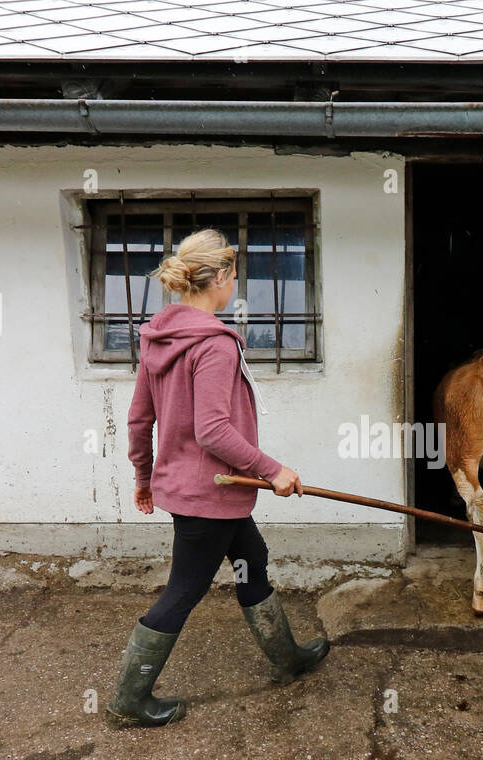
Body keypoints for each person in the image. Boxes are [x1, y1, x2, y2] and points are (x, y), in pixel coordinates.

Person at [106, 228, 329, 728]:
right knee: (184, 590)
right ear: (223, 278)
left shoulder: (158, 337)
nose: (235, 286)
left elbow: (140, 419)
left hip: (199, 492)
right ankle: (129, 698)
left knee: (252, 559)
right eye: (235, 277)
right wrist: (274, 471)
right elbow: (212, 431)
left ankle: (287, 659)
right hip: (213, 493)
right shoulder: (216, 345)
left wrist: (144, 475)